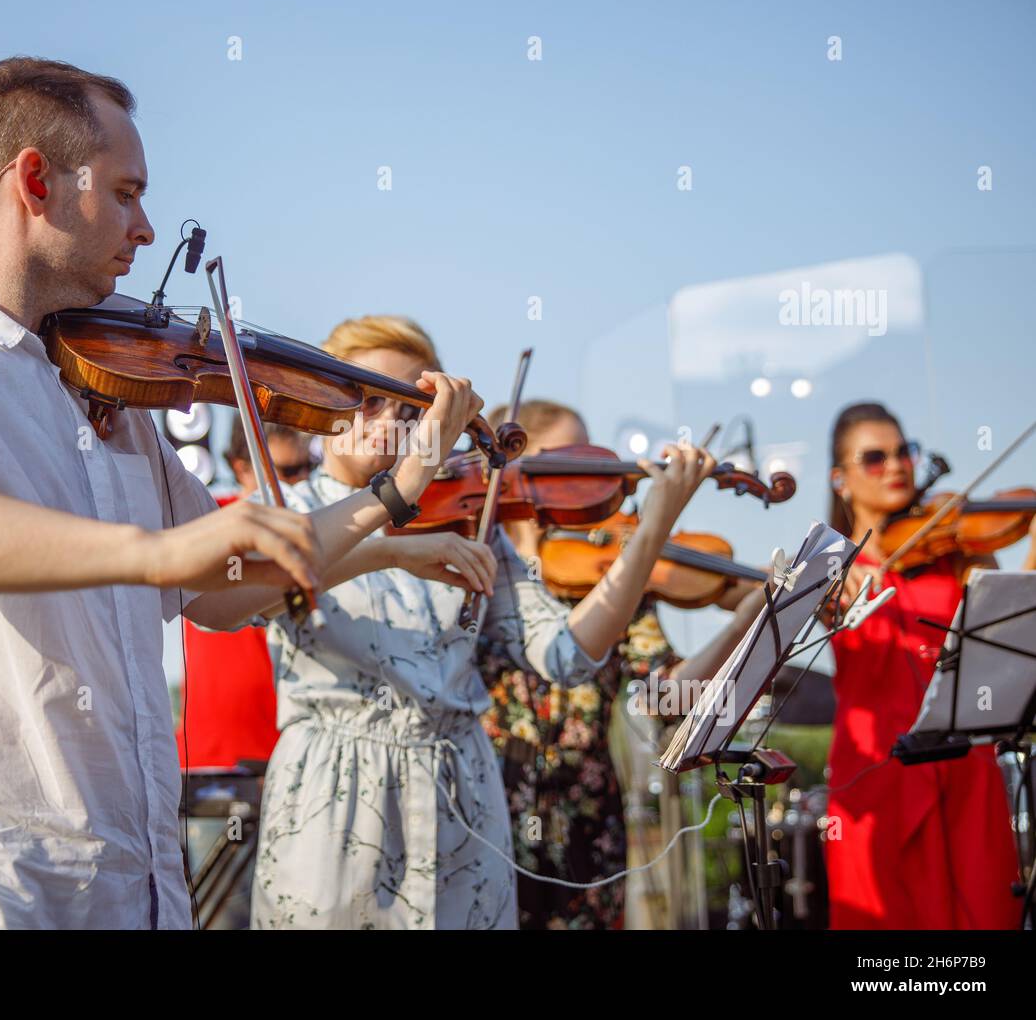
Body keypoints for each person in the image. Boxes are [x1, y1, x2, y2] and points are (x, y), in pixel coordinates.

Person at [0, 57, 483, 930]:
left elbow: (222, 594)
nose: (146, 228)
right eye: (125, 192)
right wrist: (147, 552)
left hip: (136, 889)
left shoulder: (108, 395)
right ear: (34, 181)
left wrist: (396, 490)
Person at [247, 316, 721, 929]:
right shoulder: (287, 511)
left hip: (459, 799)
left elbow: (567, 655)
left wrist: (652, 529)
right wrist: (387, 546)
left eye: (412, 409)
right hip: (334, 800)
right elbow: (247, 600)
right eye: (367, 401)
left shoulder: (469, 520)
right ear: (324, 402)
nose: (389, 423)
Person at [477, 399, 764, 929]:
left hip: (589, 814)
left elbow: (669, 695)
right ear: (517, 456)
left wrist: (745, 618)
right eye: (573, 459)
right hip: (490, 798)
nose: (592, 480)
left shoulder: (618, 577)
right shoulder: (480, 558)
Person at [820, 401, 1029, 929]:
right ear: (839, 479)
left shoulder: (953, 548)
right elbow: (757, 593)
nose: (895, 466)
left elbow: (1010, 623)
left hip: (965, 774)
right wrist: (821, 575)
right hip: (875, 780)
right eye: (874, 458)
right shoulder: (830, 566)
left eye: (903, 452)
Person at [175, 417, 316, 771]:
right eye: (288, 471)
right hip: (214, 756)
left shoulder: (312, 534)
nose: (301, 483)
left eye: (307, 469)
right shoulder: (209, 517)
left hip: (296, 756)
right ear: (242, 468)